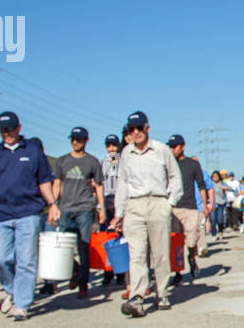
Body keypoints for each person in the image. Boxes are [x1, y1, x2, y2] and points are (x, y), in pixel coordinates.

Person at [0, 111, 59, 321]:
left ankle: (22, 304)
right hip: (0, 215)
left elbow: (44, 181)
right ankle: (12, 290)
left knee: (26, 260)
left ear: (19, 128)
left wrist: (52, 204)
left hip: (28, 213)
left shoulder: (33, 150)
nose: (7, 133)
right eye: (3, 130)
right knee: (0, 258)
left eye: (10, 129)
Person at [109, 111, 181, 317]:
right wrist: (119, 213)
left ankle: (162, 292)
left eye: (139, 128)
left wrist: (169, 202)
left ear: (147, 128)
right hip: (134, 205)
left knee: (160, 253)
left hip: (158, 202)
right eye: (132, 129)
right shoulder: (126, 154)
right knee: (137, 253)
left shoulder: (161, 150)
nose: (136, 132)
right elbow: (122, 183)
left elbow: (175, 177)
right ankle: (138, 297)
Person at [53, 127, 105, 298]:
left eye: (79, 139)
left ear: (86, 141)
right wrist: (53, 205)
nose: (75, 142)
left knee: (83, 247)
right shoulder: (62, 161)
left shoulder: (92, 161)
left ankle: (83, 284)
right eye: (73, 139)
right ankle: (74, 270)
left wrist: (101, 208)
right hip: (66, 209)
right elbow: (57, 183)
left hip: (85, 209)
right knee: (65, 249)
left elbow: (98, 186)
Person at [166, 134, 207, 286]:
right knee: (176, 241)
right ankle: (177, 272)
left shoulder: (193, 164)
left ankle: (192, 259)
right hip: (174, 208)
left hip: (190, 208)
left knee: (191, 241)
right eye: (170, 147)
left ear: (182, 146)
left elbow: (201, 185)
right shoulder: (168, 165)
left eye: (174, 146)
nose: (172, 150)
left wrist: (205, 205)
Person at [100, 134, 124, 287]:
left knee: (120, 236)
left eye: (114, 145)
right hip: (106, 199)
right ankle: (107, 271)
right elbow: (100, 183)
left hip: (119, 200)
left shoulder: (122, 161)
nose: (112, 149)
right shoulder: (103, 162)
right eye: (109, 146)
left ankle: (121, 272)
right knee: (107, 236)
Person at [209, 170, 227, 238]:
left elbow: (231, 189)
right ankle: (214, 234)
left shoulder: (222, 183)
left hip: (220, 204)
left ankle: (220, 231)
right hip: (213, 204)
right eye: (214, 177)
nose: (215, 178)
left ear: (219, 177)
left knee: (220, 220)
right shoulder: (210, 184)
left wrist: (226, 188)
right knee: (213, 220)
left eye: (216, 176)